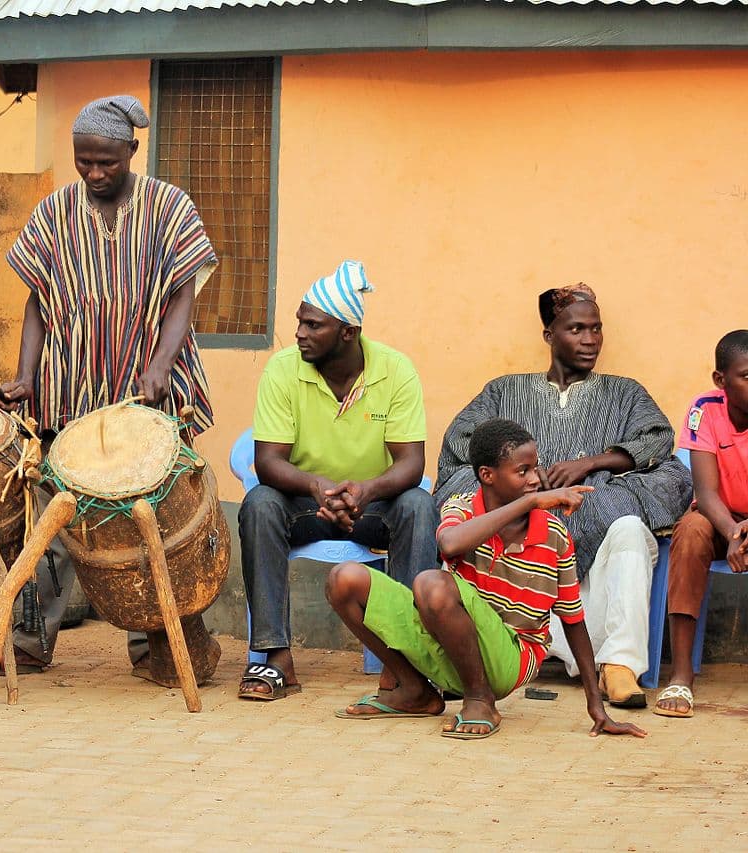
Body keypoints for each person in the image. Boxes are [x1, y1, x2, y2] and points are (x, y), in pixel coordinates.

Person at [0, 95, 218, 675]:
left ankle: (154, 641)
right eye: (84, 162)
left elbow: (182, 297)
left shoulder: (169, 207)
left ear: (131, 152)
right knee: (55, 507)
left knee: (151, 511)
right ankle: (31, 636)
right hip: (71, 385)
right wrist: (26, 375)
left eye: (107, 163)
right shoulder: (53, 213)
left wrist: (162, 364)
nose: (94, 173)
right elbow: (38, 302)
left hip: (150, 386)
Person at [435, 284, 691, 709]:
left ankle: (619, 666)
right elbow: (462, 447)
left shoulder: (625, 393)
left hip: (594, 562)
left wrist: (590, 465)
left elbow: (657, 441)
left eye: (596, 329)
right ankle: (479, 659)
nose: (590, 339)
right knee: (468, 506)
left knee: (630, 528)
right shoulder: (504, 391)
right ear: (549, 335)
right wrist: (524, 491)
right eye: (576, 329)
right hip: (520, 569)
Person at [327, 418, 646, 739]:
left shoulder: (553, 534)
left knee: (430, 585)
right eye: (523, 471)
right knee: (344, 578)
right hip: (448, 647)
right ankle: (414, 691)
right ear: (487, 476)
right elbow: (449, 544)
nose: (535, 479)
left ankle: (480, 699)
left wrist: (596, 706)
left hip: (509, 658)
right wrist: (530, 501)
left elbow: (573, 621)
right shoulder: (462, 508)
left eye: (536, 469)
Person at [237, 260, 439, 700]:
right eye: (300, 322)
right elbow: (268, 461)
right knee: (259, 503)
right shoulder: (283, 369)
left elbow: (412, 464)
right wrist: (317, 487)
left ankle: (406, 660)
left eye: (313, 325)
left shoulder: (395, 370)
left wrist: (366, 491)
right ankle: (273, 659)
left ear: (348, 332)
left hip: (372, 505)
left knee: (419, 505)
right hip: (306, 502)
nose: (299, 333)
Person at [656, 330, 748, 718]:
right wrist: (733, 533)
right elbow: (706, 492)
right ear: (720, 380)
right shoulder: (705, 409)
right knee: (690, 530)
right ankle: (680, 675)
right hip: (719, 519)